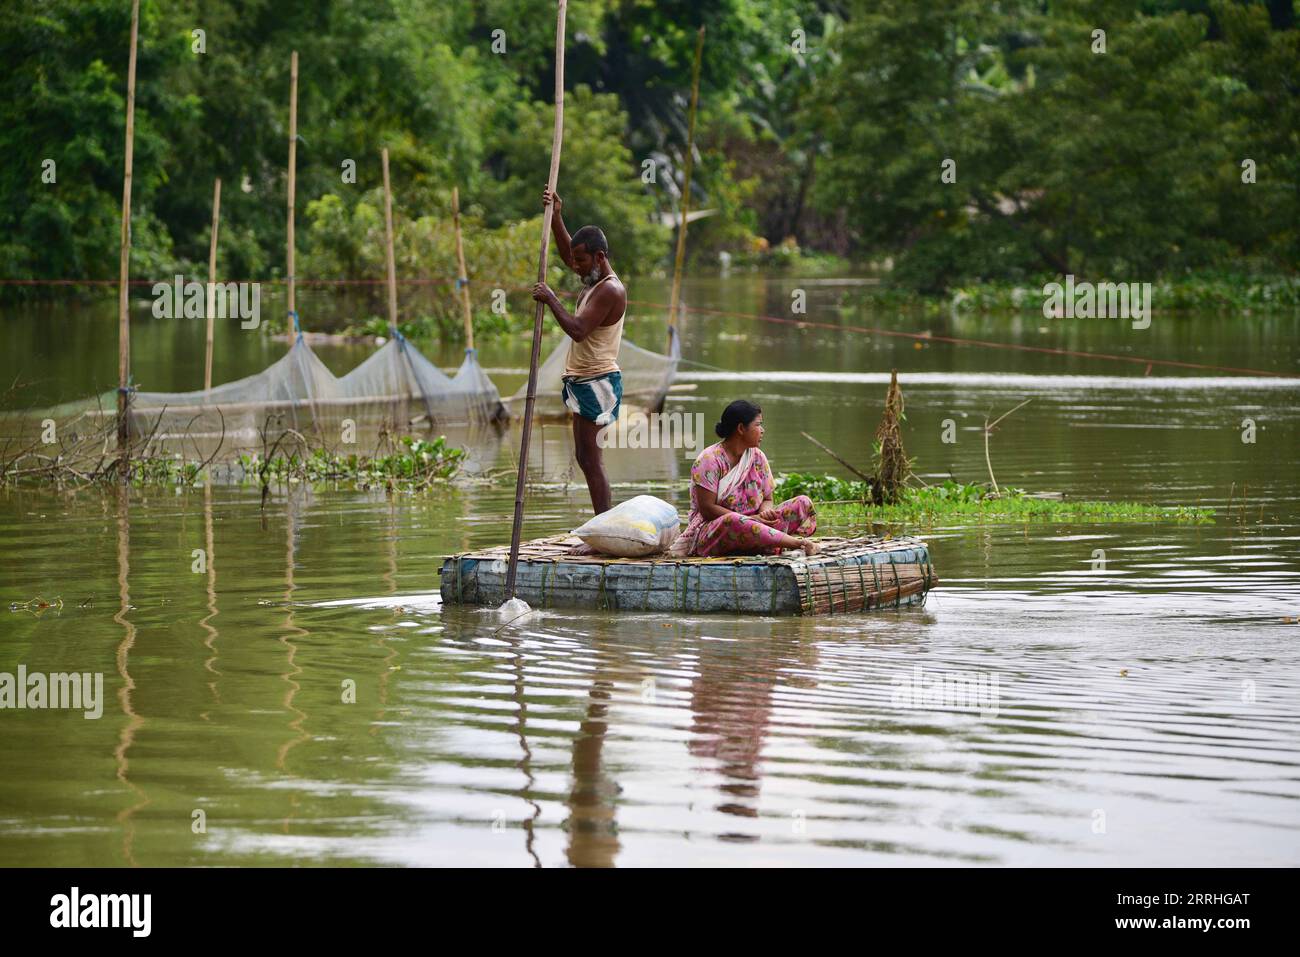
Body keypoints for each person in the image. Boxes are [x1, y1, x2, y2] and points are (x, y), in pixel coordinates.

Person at [531, 187, 625, 516]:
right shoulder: (592, 279)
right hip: (583, 380)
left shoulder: (609, 290)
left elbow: (578, 330)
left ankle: (605, 523)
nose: (577, 267)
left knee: (591, 458)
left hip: (598, 381)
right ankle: (603, 522)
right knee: (584, 458)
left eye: (583, 261)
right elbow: (568, 253)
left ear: (600, 257)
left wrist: (550, 297)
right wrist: (557, 217)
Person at [673, 400, 819, 557]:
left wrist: (765, 513)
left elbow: (767, 498)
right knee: (734, 520)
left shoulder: (757, 457)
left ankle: (764, 542)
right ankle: (797, 543)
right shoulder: (709, 460)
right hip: (715, 532)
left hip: (757, 525)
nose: (762, 430)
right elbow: (707, 510)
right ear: (741, 428)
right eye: (758, 425)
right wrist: (748, 520)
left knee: (803, 503)